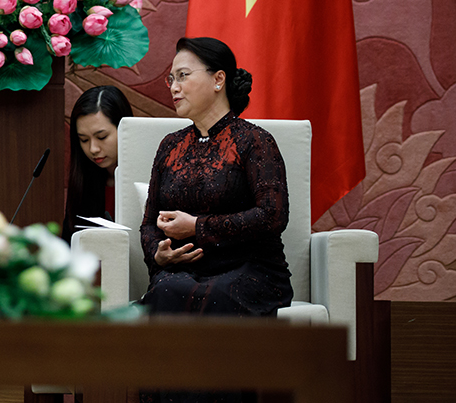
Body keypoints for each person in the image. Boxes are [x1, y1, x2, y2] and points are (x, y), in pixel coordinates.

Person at [139, 37, 292, 403]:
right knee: (165, 290)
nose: (173, 87)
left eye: (183, 76)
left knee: (218, 296)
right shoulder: (170, 146)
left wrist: (198, 228)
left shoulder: (255, 141)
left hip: (250, 269)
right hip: (185, 270)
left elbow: (273, 215)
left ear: (218, 79)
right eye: (170, 79)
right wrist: (158, 254)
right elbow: (148, 223)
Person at [62, 85, 133, 239]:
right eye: (84, 140)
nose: (93, 149)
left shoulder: (150, 177)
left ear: (123, 128)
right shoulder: (83, 180)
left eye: (101, 137)